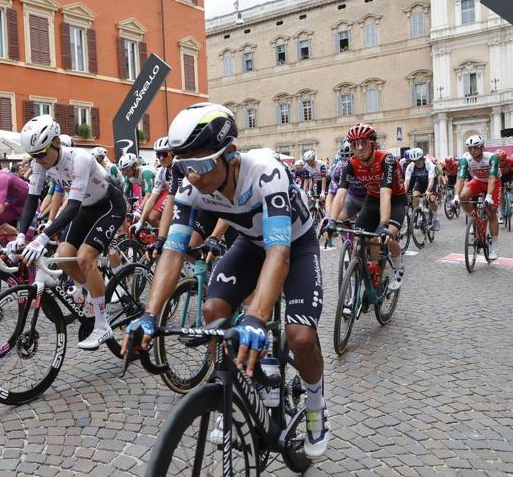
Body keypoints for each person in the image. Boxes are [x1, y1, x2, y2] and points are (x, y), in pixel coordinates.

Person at [122, 102, 330, 458]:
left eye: (203, 165)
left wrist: (255, 318)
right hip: (250, 242)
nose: (194, 177)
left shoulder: (266, 173)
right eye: (186, 166)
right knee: (213, 309)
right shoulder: (190, 188)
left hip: (295, 244)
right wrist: (149, 315)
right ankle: (231, 389)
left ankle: (315, 405)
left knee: (300, 336)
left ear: (231, 154)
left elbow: (278, 253)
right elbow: (173, 253)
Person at [9, 115, 126, 350]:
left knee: (85, 257)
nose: (38, 161)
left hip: (109, 205)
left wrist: (42, 238)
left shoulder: (80, 159)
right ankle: (94, 292)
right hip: (85, 208)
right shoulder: (39, 163)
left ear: (57, 143)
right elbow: (32, 200)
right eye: (33, 156)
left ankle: (102, 326)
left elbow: (71, 207)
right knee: (64, 257)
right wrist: (21, 235)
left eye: (41, 154)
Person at [326, 123, 407, 291]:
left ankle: (398, 267)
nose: (359, 147)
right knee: (358, 239)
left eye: (364, 142)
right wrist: (331, 220)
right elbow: (341, 193)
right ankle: (354, 287)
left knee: (385, 237)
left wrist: (384, 225)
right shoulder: (350, 164)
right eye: (355, 144)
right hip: (372, 199)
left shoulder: (387, 159)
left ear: (373, 143)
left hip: (395, 200)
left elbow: (386, 193)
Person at [453, 136, 501, 260]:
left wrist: (489, 196)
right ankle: (472, 217)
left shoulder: (491, 157)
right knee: (463, 196)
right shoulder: (466, 160)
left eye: (476, 147)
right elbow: (461, 178)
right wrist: (456, 196)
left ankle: (494, 247)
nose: (473, 150)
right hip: (478, 181)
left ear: (482, 147)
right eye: (470, 148)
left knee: (491, 213)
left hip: (493, 182)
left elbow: (491, 178)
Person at [131, 137, 173, 232]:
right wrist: (140, 221)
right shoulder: (162, 171)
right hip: (169, 193)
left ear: (173, 153)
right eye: (158, 155)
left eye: (164, 154)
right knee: (150, 217)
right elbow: (152, 198)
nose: (161, 158)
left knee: (156, 217)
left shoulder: (180, 167)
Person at [404, 148, 440, 231]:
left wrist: (428, 190)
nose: (417, 163)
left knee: (432, 199)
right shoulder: (411, 166)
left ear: (422, 158)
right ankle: (416, 214)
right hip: (420, 181)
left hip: (432, 181)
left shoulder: (429, 164)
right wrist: (403, 192)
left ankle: (435, 219)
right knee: (415, 195)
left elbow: (431, 180)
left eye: (419, 160)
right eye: (414, 161)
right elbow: (407, 182)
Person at [119, 153, 155, 222]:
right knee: (138, 218)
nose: (124, 172)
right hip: (153, 194)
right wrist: (120, 209)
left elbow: (148, 194)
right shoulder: (128, 178)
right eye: (122, 170)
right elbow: (125, 196)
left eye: (126, 169)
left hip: (163, 191)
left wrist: (139, 210)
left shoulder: (145, 173)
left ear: (134, 166)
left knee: (152, 217)